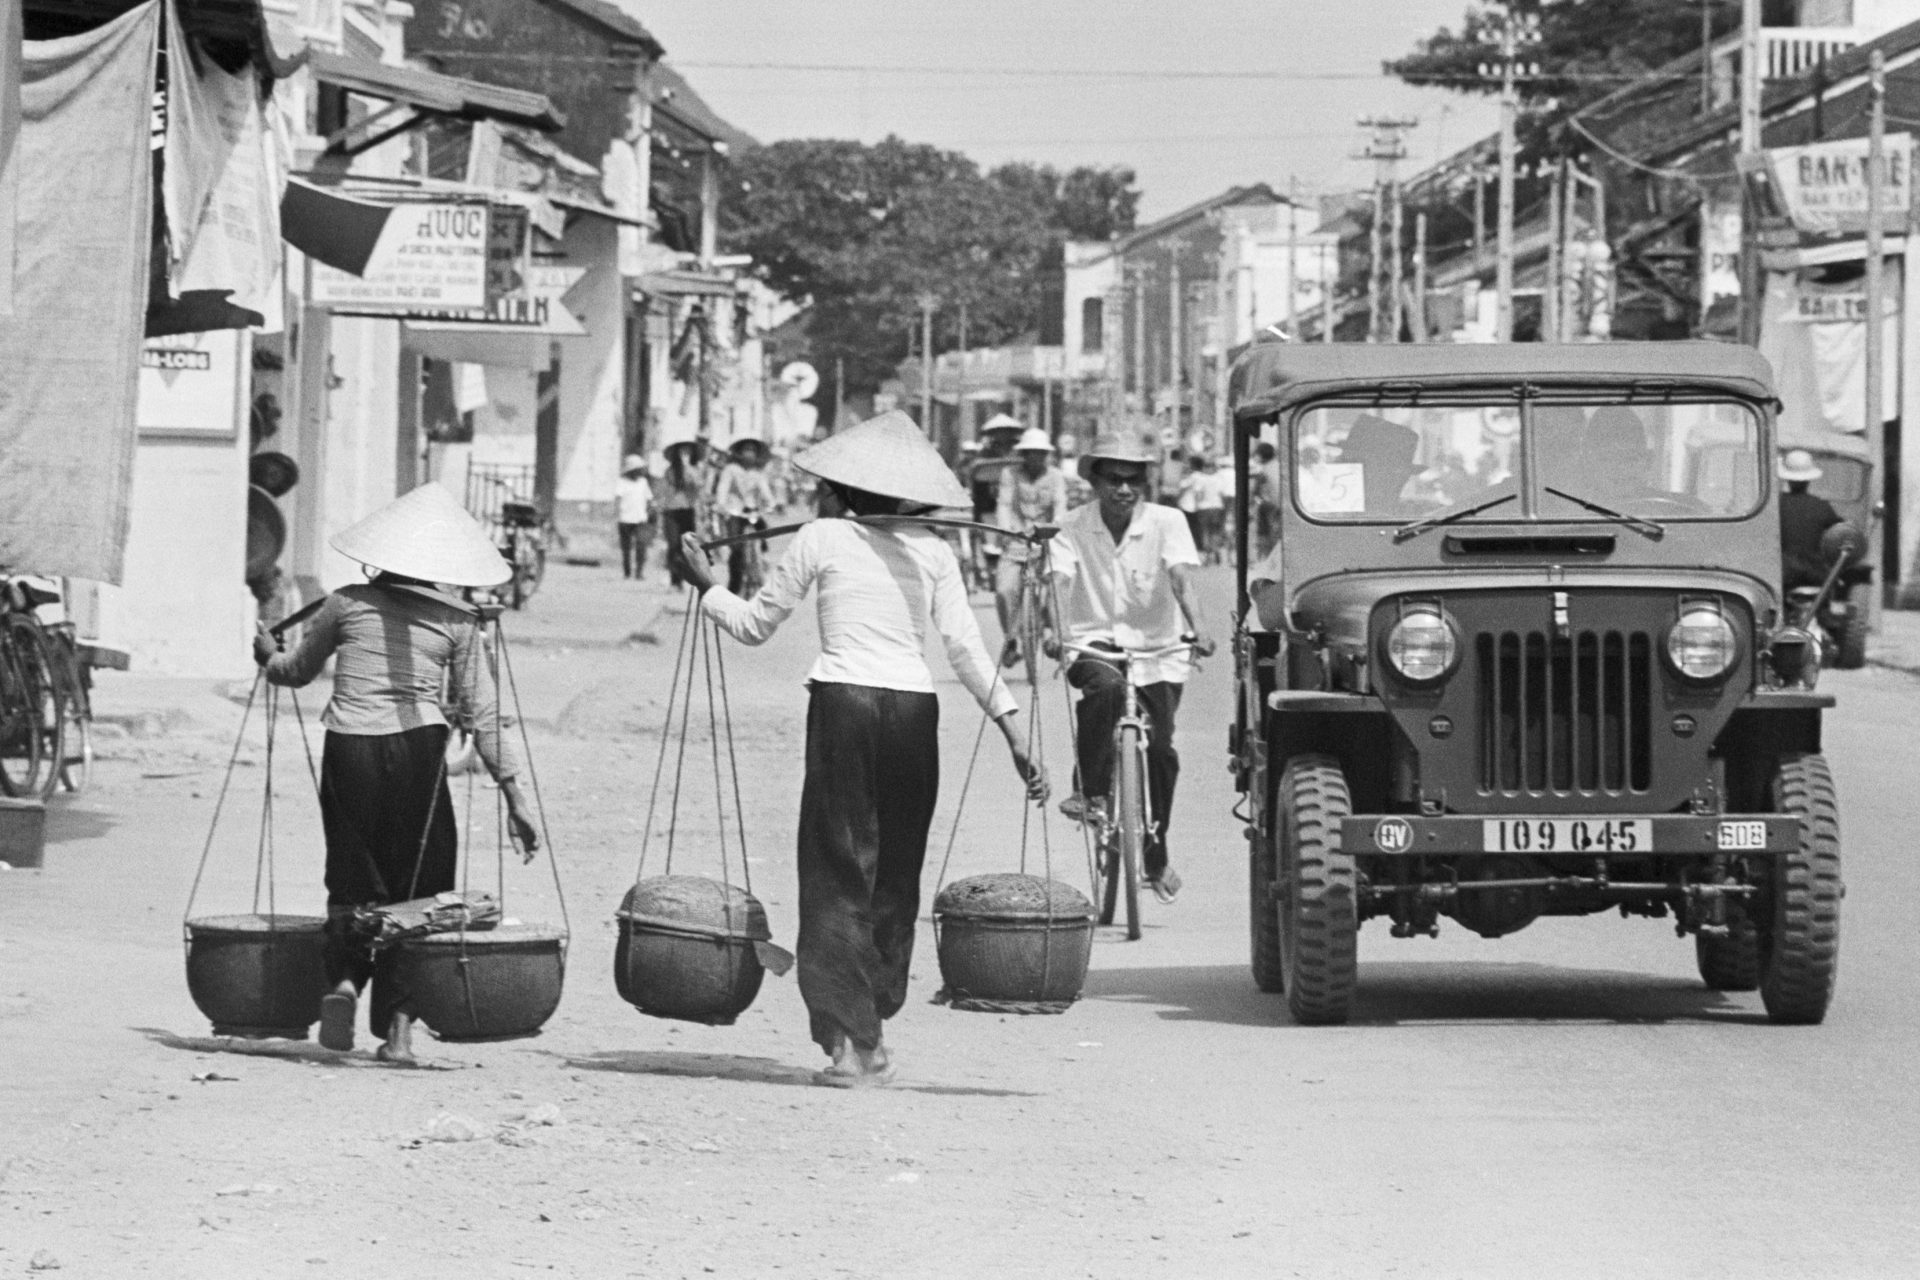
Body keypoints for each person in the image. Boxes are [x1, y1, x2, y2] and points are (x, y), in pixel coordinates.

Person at [677, 410, 1048, 1088]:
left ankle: (854, 1045)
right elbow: (966, 649)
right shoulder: (934, 550)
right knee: (895, 874)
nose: (820, 494)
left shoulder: (821, 536)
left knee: (835, 872)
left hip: (845, 706)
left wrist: (708, 587)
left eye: (827, 486)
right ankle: (868, 1024)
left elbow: (755, 625)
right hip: (913, 713)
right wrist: (1013, 728)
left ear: (847, 491)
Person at [253, 482, 540, 1064]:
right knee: (422, 890)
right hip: (417, 753)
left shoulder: (345, 603)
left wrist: (267, 656)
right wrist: (515, 797)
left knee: (352, 875)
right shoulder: (457, 621)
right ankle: (400, 1033)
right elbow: (483, 715)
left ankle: (343, 983)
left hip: (350, 748)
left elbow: (296, 672)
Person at [1043, 432, 1216, 904]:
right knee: (1106, 688)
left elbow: (1181, 578)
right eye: (1114, 479)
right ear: (1095, 482)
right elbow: (1058, 582)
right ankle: (1091, 792)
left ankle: (1155, 856)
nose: (1124, 489)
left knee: (1160, 750)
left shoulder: (1168, 521)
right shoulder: (1070, 526)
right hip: (1092, 639)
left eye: (1134, 480)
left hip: (1159, 648)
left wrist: (1199, 628)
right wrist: (1057, 629)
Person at [993, 427, 1070, 670]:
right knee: (1005, 589)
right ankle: (1011, 639)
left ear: (1046, 455)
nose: (1035, 457)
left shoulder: (1056, 476)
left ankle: (1058, 637)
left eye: (1040, 452)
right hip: (1017, 538)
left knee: (1059, 582)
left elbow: (1060, 505)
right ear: (1024, 454)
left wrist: (1056, 527)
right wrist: (1006, 530)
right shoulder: (1010, 474)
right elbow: (1004, 504)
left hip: (1047, 538)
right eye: (1030, 452)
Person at [714, 437, 779, 595]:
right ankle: (734, 587)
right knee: (736, 550)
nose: (749, 454)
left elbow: (765, 491)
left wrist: (771, 503)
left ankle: (762, 561)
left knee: (763, 533)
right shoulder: (731, 469)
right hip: (735, 511)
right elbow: (723, 488)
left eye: (752, 450)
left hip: (752, 511)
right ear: (739, 452)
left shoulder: (757, 473)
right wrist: (721, 504)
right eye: (746, 450)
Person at [1778, 448, 1843, 589]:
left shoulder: (1777, 504)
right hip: (1815, 573)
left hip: (1783, 573)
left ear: (1788, 479)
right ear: (1809, 480)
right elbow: (1840, 531)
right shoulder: (1821, 505)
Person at [658, 437, 704, 589]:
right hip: (671, 512)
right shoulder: (670, 471)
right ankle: (674, 579)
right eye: (682, 451)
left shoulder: (695, 470)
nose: (685, 454)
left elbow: (697, 485)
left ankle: (685, 576)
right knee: (673, 545)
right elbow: (666, 490)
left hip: (688, 511)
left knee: (686, 546)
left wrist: (687, 467)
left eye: (688, 451)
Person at [615, 453, 654, 581]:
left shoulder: (643, 482)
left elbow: (649, 499)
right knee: (626, 548)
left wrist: (648, 512)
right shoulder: (622, 482)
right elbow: (618, 499)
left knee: (641, 546)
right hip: (625, 519)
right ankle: (627, 572)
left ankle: (639, 572)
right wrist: (617, 515)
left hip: (640, 519)